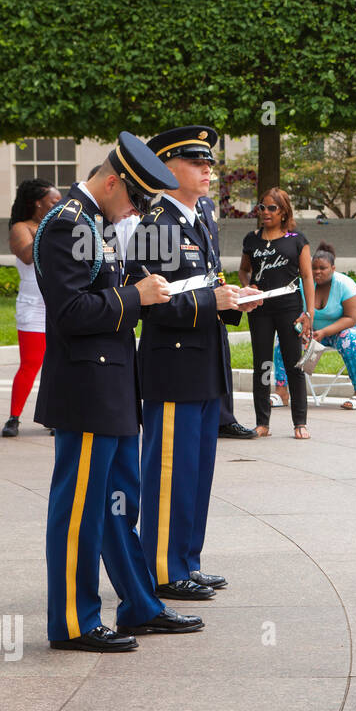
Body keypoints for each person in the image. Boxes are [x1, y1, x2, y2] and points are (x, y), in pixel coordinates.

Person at [35, 133, 204, 650]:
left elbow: (105, 293)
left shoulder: (96, 222)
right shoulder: (67, 223)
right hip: (86, 389)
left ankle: (137, 603)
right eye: (134, 199)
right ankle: (73, 622)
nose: (136, 211)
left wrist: (149, 291)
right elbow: (69, 314)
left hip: (111, 387)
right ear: (112, 182)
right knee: (80, 512)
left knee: (115, 506)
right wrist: (136, 295)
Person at [125, 125, 261, 602]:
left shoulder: (200, 215)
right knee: (169, 471)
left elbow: (203, 283)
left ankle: (186, 560)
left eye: (209, 163)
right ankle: (162, 568)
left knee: (197, 471)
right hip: (174, 365)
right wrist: (214, 301)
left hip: (204, 360)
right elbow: (149, 303)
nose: (208, 170)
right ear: (167, 169)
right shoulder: (156, 224)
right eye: (195, 162)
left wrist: (232, 300)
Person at [239, 188, 315, 438]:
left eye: (272, 208)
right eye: (262, 207)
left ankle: (300, 422)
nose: (266, 212)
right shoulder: (252, 239)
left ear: (284, 212)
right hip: (260, 309)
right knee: (262, 364)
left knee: (294, 364)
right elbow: (244, 271)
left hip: (289, 309)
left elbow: (307, 277)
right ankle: (263, 422)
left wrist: (309, 313)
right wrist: (248, 287)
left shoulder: (296, 239)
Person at [270, 242, 356, 410]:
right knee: (282, 337)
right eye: (314, 268)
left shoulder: (346, 285)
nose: (317, 272)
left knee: (349, 339)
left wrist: (324, 332)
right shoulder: (303, 284)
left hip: (346, 330)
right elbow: (296, 313)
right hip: (315, 333)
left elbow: (352, 318)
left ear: (333, 268)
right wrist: (301, 328)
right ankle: (281, 392)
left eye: (322, 268)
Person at [4, 179, 60, 437]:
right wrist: (49, 230)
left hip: (58, 301)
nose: (58, 205)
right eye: (54, 201)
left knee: (58, 362)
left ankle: (55, 417)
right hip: (33, 304)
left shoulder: (60, 226)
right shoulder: (20, 227)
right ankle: (14, 417)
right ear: (38, 203)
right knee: (31, 362)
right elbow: (27, 255)